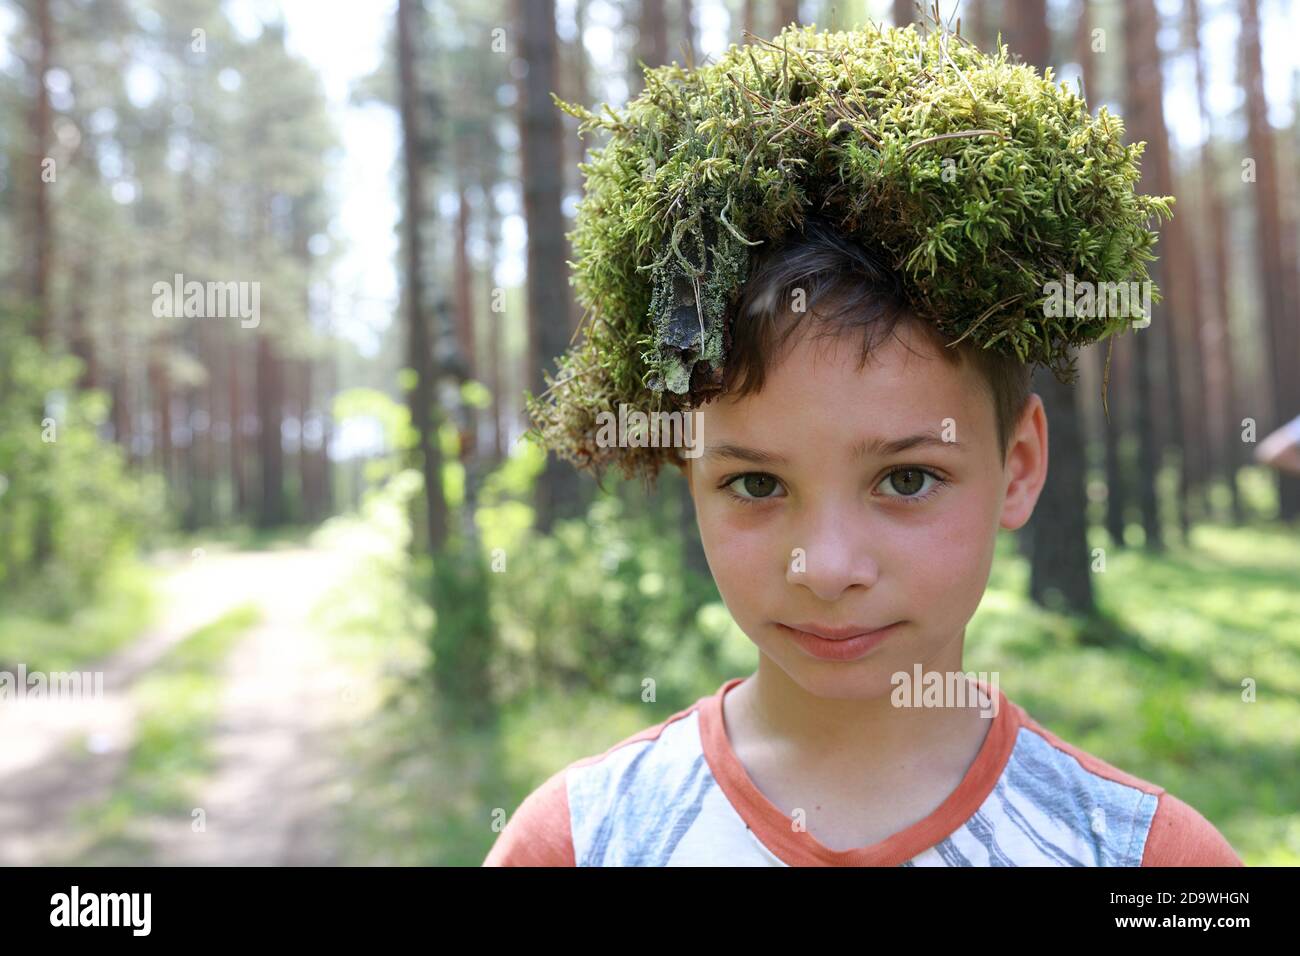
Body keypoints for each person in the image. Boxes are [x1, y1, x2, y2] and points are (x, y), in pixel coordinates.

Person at [485, 22, 1243, 867]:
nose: (828, 566)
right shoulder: (578, 843)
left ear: (1018, 467)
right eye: (757, 486)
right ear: (684, 466)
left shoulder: (1151, 861)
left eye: (908, 478)